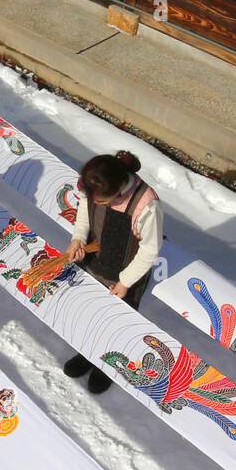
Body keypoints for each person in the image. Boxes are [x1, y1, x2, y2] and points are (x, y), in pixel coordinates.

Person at [61, 149, 163, 394]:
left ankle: (106, 364)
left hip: (127, 272)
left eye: (103, 202)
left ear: (118, 189)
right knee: (93, 313)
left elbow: (150, 250)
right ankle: (87, 353)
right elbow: (86, 212)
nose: (97, 203)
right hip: (96, 262)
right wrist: (78, 238)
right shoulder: (94, 188)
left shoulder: (146, 204)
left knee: (115, 321)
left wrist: (126, 281)